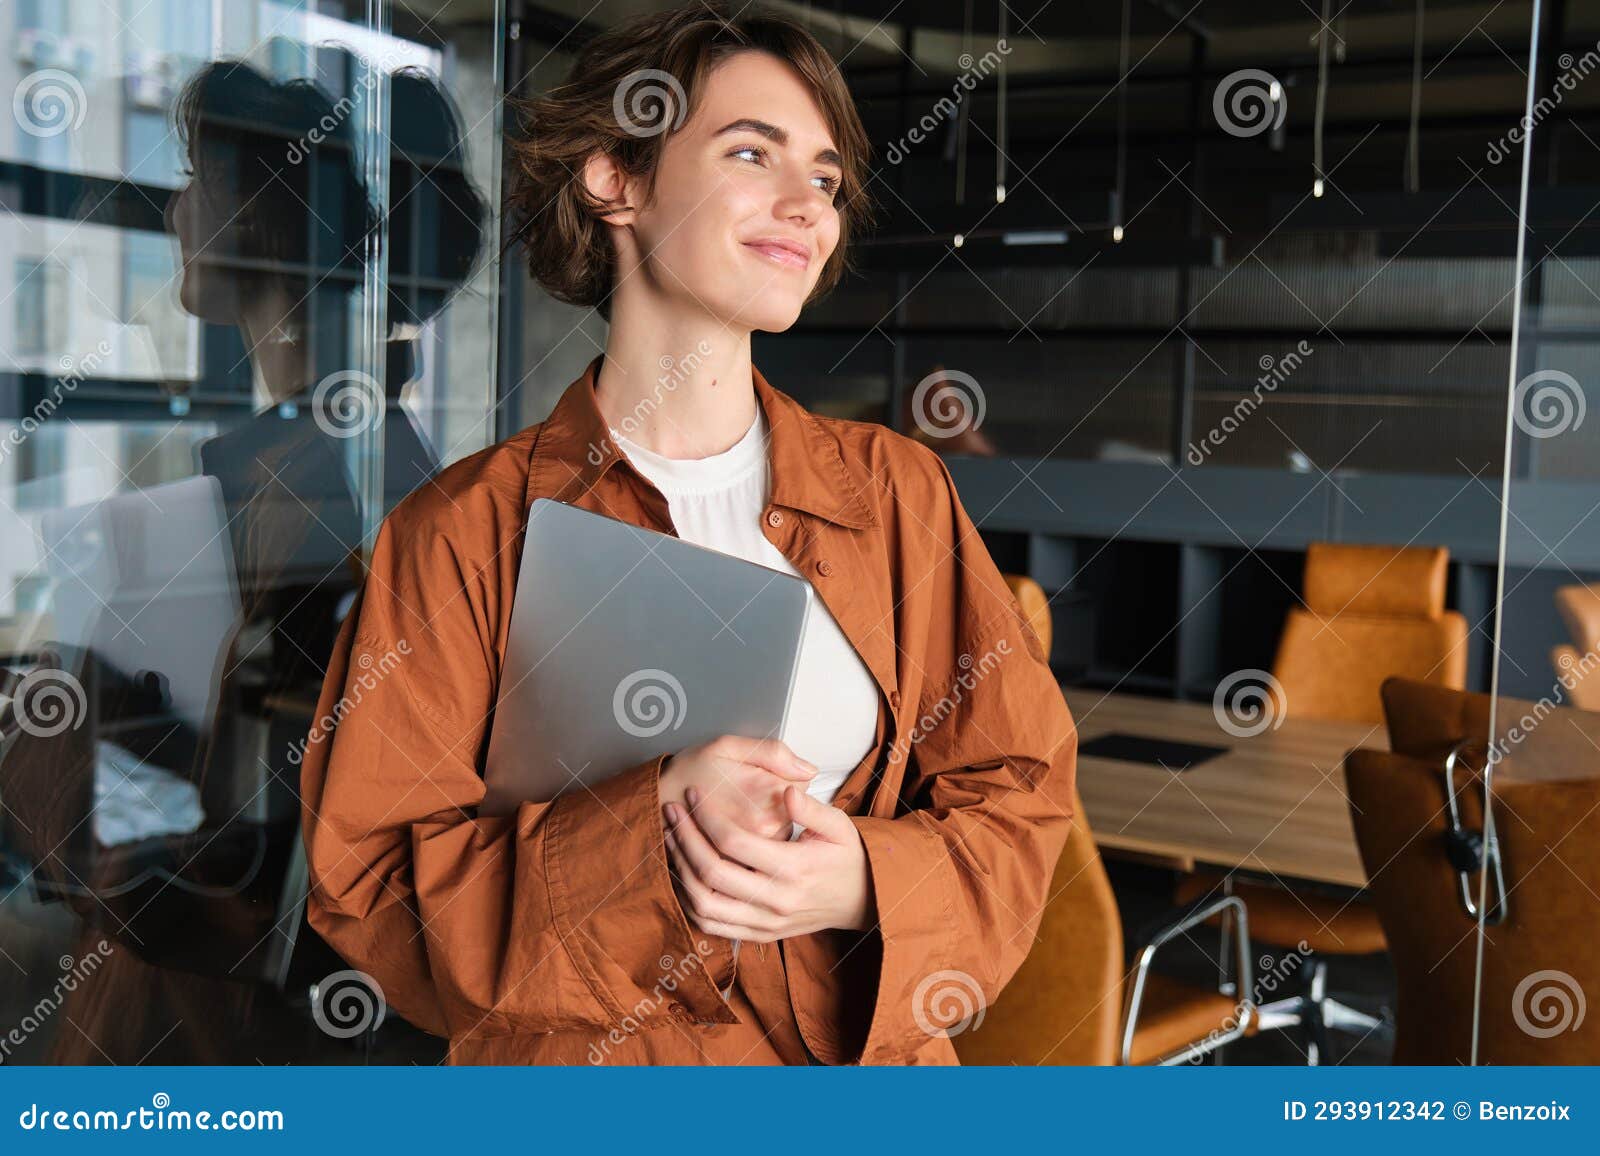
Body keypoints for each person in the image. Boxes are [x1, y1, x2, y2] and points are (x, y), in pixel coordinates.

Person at [299, 2, 1077, 1066]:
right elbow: (373, 887)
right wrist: (649, 818)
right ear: (613, 178)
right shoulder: (460, 531)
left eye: (825, 178)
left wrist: (863, 878)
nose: (806, 205)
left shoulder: (900, 494)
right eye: (752, 152)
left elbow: (1021, 787)